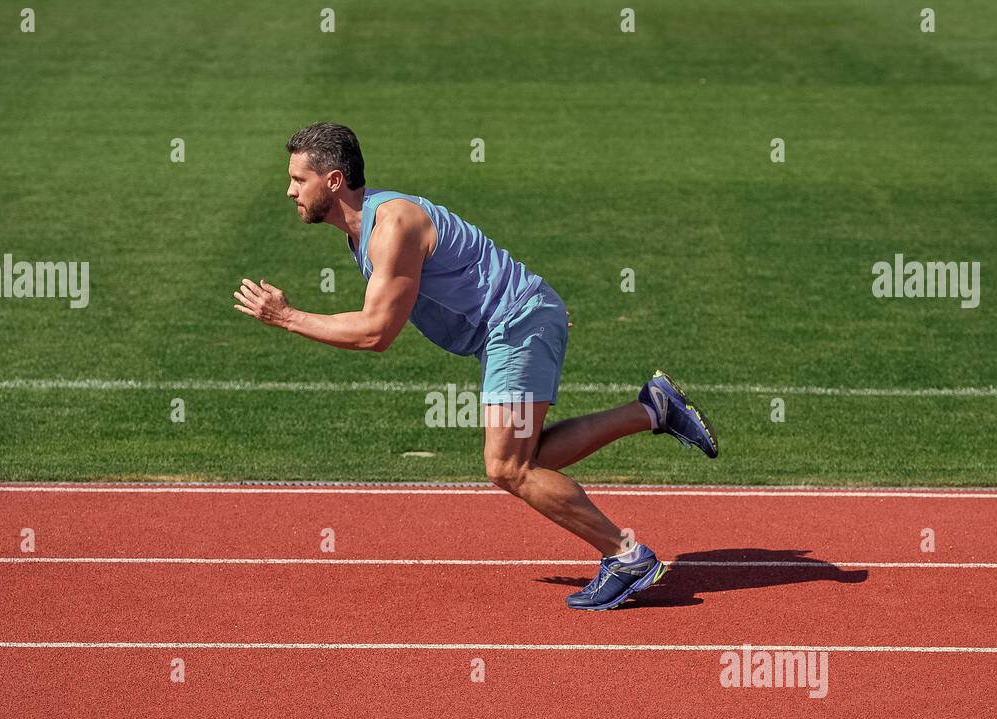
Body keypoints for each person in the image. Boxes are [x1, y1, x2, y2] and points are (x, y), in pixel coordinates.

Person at [233, 122, 718, 610]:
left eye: (299, 179)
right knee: (531, 458)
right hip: (519, 322)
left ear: (333, 180)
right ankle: (652, 409)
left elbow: (376, 333)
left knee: (507, 466)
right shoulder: (367, 230)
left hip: (515, 326)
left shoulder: (391, 227)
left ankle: (626, 555)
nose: (289, 190)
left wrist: (287, 316)